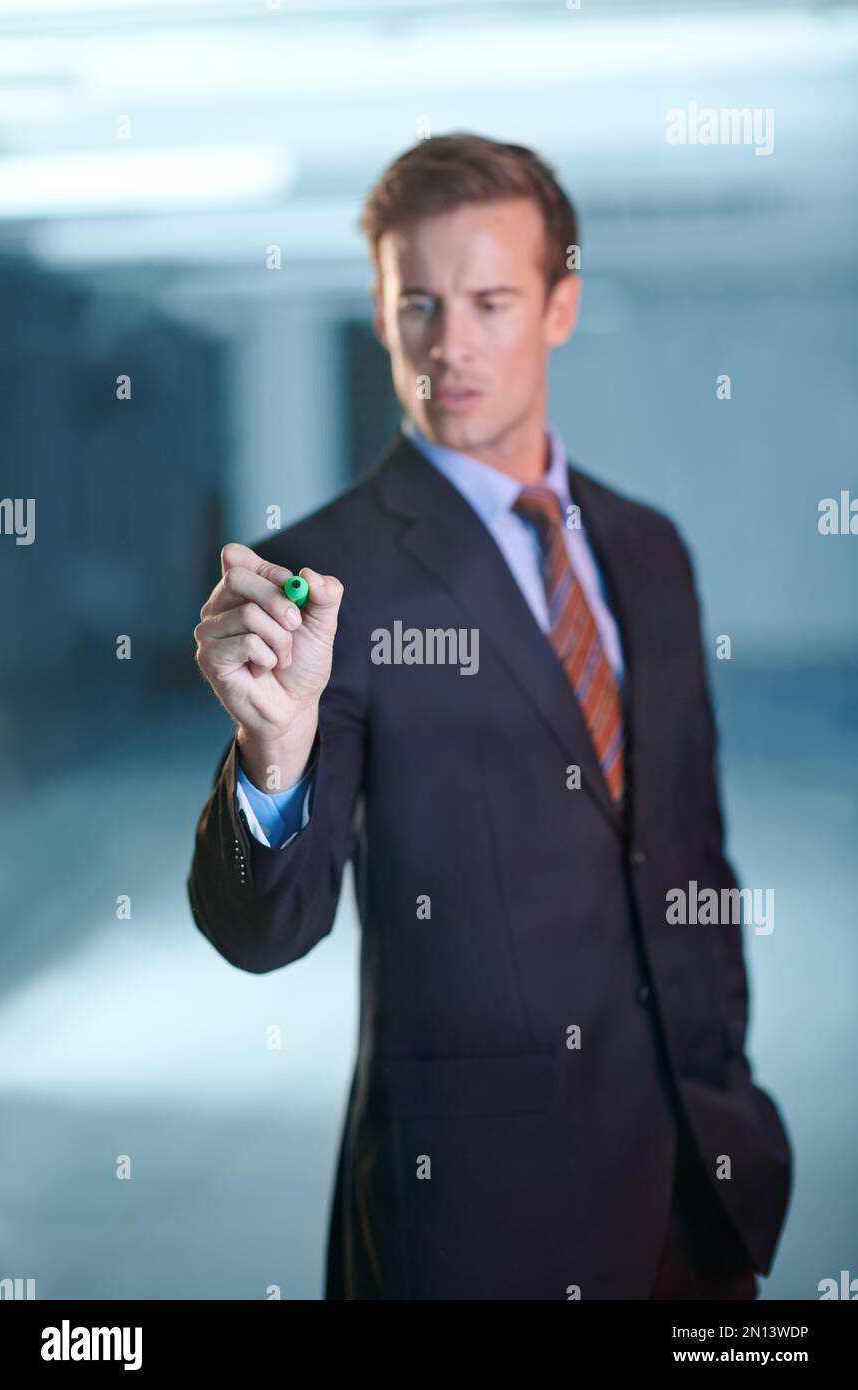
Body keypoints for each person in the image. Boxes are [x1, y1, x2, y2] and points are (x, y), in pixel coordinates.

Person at [188, 132, 792, 1300]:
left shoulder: (648, 549)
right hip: (477, 1209)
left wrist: (734, 1087)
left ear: (560, 306)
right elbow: (265, 931)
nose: (450, 344)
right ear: (379, 312)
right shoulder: (319, 577)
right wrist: (273, 749)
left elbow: (689, 848)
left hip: (695, 1182)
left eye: (491, 301)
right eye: (417, 302)